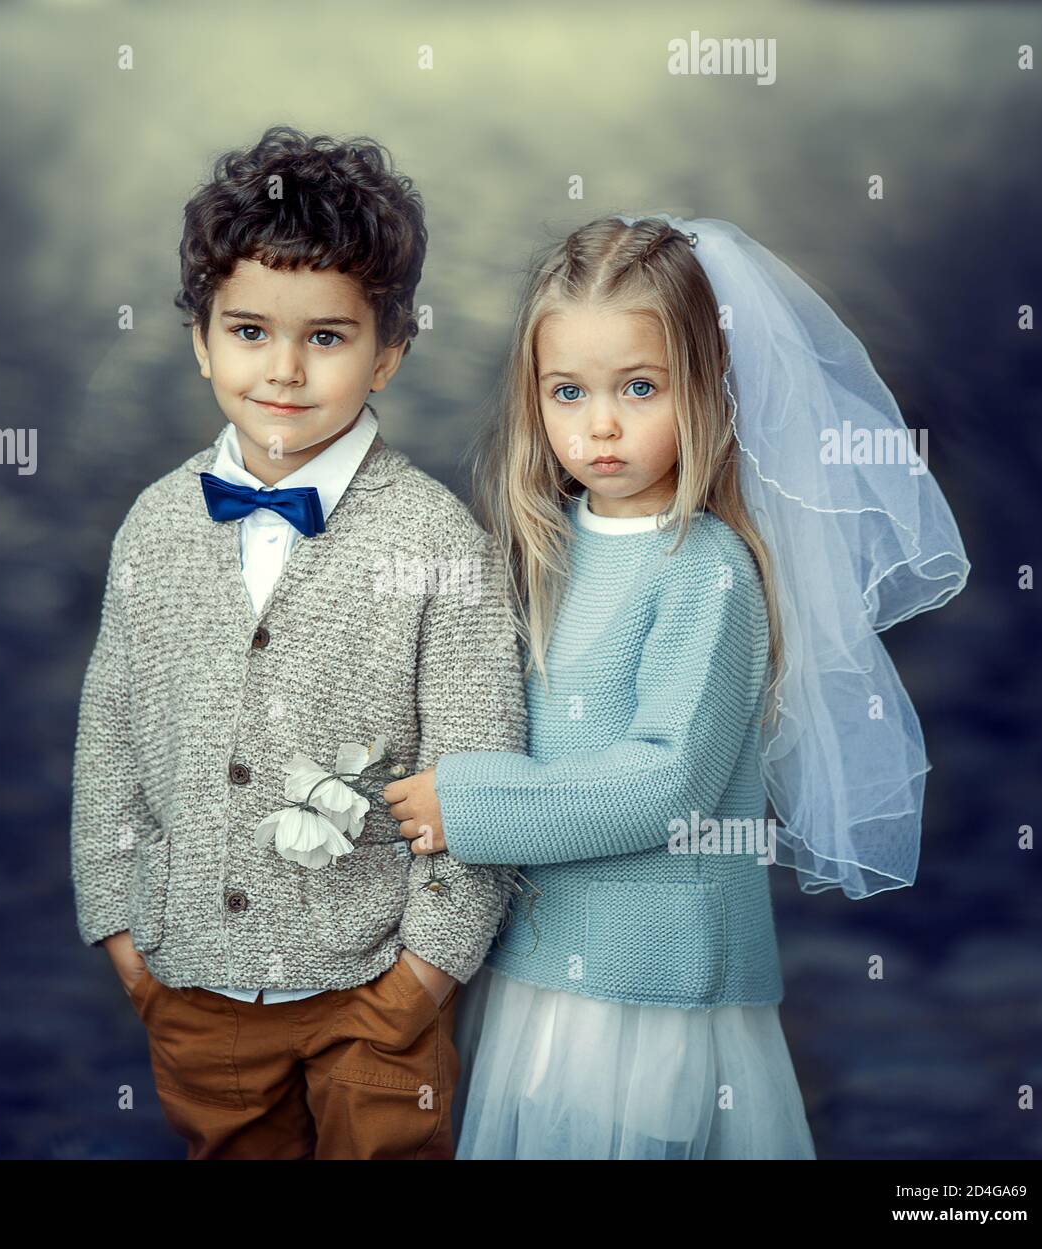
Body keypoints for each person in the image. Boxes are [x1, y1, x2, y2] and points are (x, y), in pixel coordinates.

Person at [383, 213, 969, 1159]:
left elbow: (667, 784)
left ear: (708, 390)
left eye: (640, 387)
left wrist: (466, 803)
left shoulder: (708, 571)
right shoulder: (541, 547)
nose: (600, 424)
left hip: (652, 980)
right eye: (568, 392)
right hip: (542, 962)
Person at [69, 125, 528, 1159]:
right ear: (199, 340)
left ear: (389, 352)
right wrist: (126, 935)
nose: (282, 369)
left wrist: (427, 970)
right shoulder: (153, 525)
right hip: (195, 981)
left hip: (376, 990)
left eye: (326, 336)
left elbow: (480, 769)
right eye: (247, 331)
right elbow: (111, 737)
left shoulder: (434, 541)